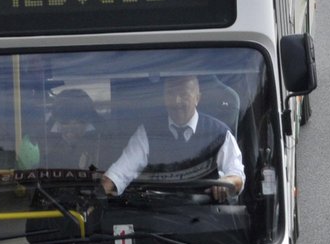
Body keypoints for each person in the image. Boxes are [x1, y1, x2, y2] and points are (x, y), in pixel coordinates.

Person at [100, 75, 246, 202]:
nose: (176, 101)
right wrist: (102, 189)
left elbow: (237, 176)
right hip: (159, 218)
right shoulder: (148, 132)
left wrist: (225, 182)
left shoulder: (219, 133)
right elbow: (121, 171)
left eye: (184, 95)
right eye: (170, 94)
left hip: (206, 219)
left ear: (197, 98)